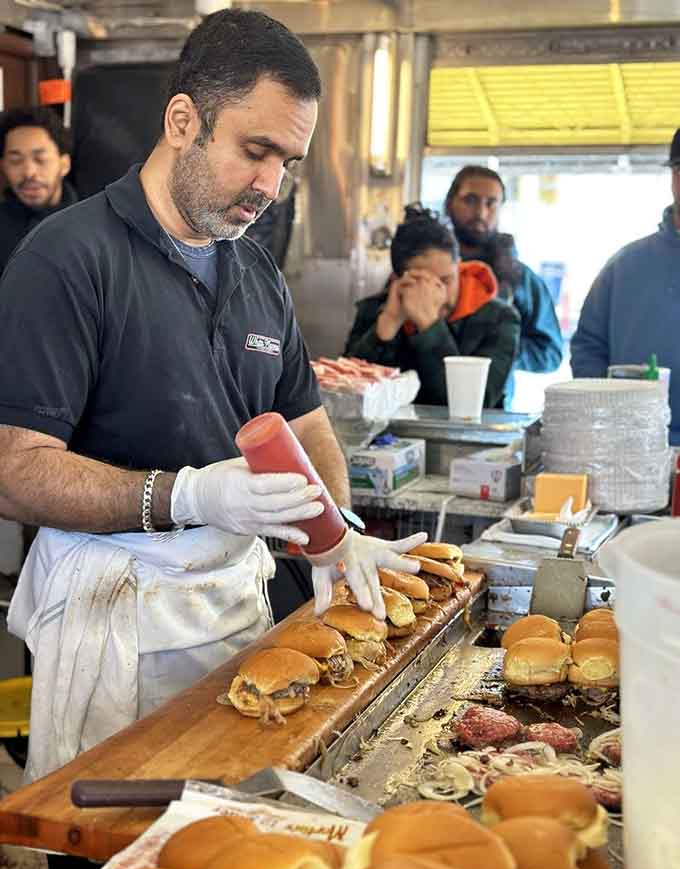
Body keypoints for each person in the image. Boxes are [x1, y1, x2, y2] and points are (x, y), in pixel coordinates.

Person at [0, 9, 424, 784]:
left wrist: (334, 535)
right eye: (255, 151)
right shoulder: (68, 259)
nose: (270, 184)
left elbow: (306, 421)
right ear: (183, 119)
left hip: (235, 612)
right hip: (112, 618)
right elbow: (17, 470)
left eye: (288, 161)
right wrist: (188, 493)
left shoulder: (254, 271)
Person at [344, 204, 520, 408]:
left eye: (446, 280)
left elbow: (473, 403)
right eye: (423, 283)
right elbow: (349, 396)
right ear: (398, 279)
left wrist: (429, 325)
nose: (438, 294)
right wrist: (387, 326)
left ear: (459, 266)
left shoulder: (499, 319)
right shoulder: (374, 310)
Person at [571, 129, 680, 445]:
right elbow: (588, 347)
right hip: (630, 450)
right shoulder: (625, 265)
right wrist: (610, 416)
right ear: (675, 177)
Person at [444, 165, 563, 405]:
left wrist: (501, 348)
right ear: (450, 203)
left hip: (492, 410)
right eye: (470, 200)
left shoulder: (517, 277)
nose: (480, 211)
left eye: (491, 203)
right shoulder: (424, 267)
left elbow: (550, 353)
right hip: (421, 406)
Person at [0, 106, 77, 272]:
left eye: (40, 159)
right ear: (3, 166)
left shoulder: (93, 221)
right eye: (15, 160)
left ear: (64, 164)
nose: (29, 172)